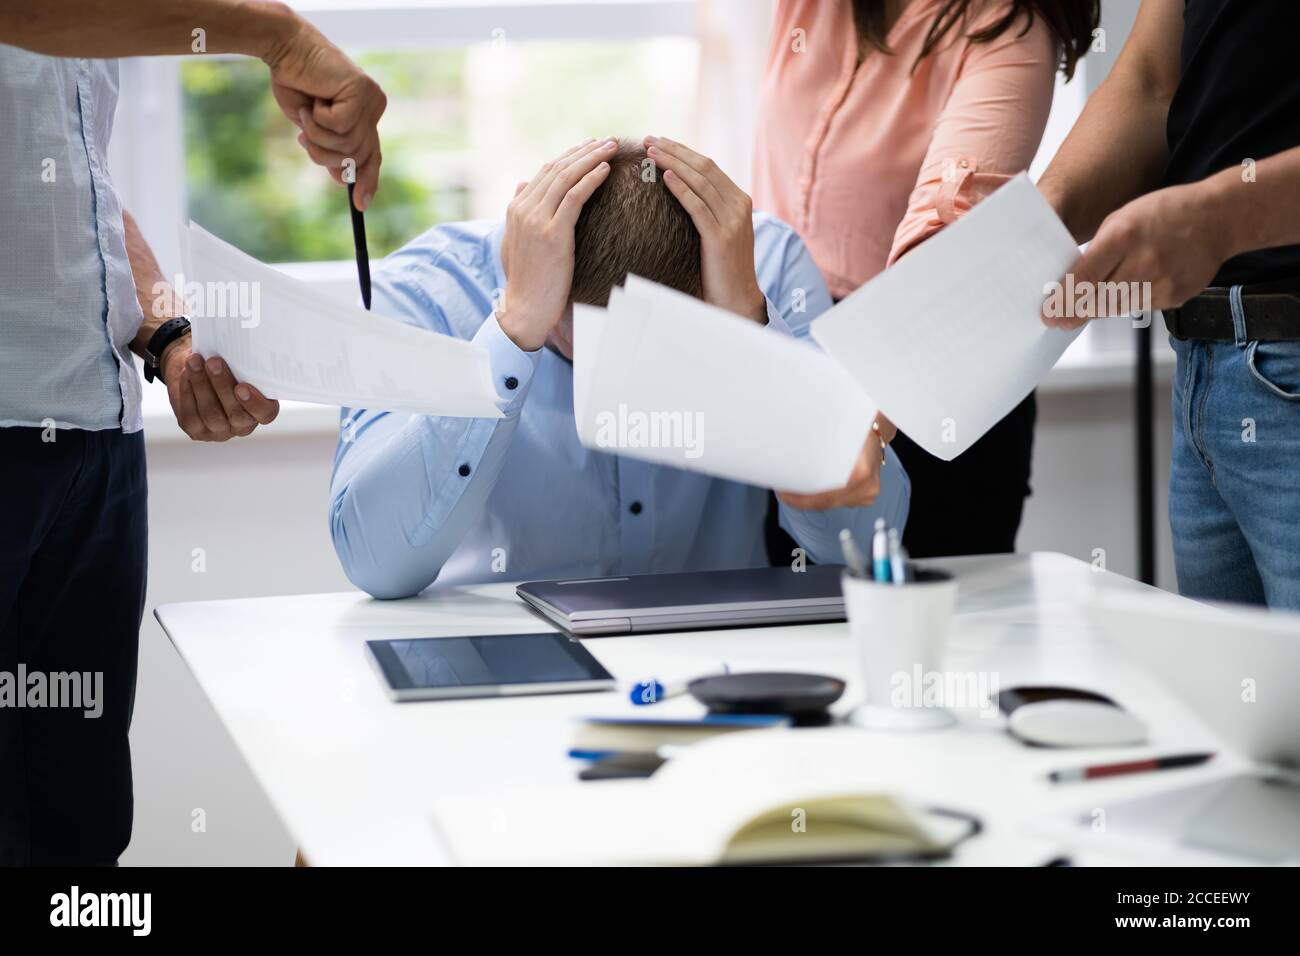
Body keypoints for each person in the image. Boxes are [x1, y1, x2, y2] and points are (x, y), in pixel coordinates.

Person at [0, 0, 386, 864]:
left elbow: (71, 179)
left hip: (93, 442)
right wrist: (276, 34)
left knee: (80, 824)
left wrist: (168, 337)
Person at [329, 138, 909, 598]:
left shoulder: (768, 266)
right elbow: (378, 564)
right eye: (580, 349)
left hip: (716, 651)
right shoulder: (422, 293)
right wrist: (514, 330)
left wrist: (750, 324)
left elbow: (859, 547)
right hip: (492, 646)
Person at [752, 0, 1099, 560]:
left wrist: (862, 415)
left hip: (928, 374)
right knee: (795, 629)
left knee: (937, 632)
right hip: (796, 367)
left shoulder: (1006, 26)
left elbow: (950, 232)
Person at [1038, 0, 1300, 609]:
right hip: (1205, 376)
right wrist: (1041, 216)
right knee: (1228, 702)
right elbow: (1152, 80)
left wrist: (1220, 218)